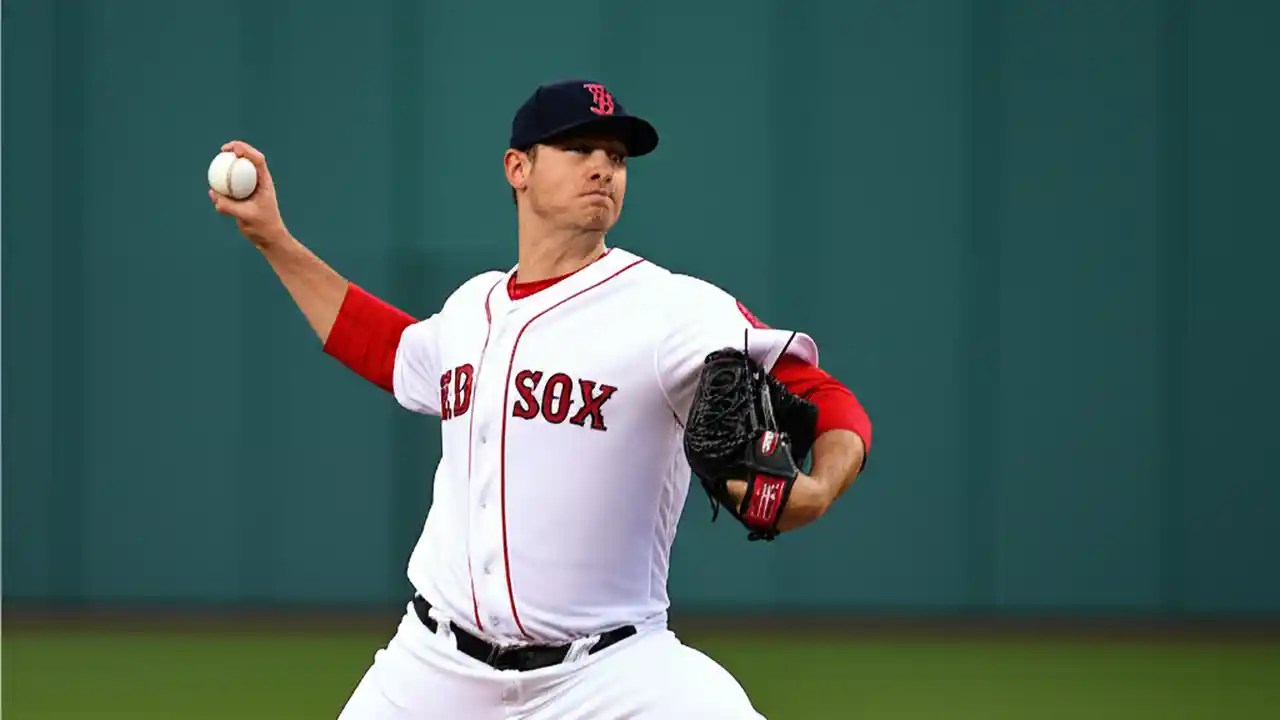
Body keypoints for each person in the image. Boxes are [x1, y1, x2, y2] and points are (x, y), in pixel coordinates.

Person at [210, 79, 871, 719]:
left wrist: (817, 487)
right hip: (436, 668)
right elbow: (391, 350)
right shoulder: (472, 308)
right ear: (517, 168)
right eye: (579, 149)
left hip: (611, 672)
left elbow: (827, 397)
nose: (603, 169)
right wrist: (274, 238)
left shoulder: (669, 308)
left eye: (615, 157)